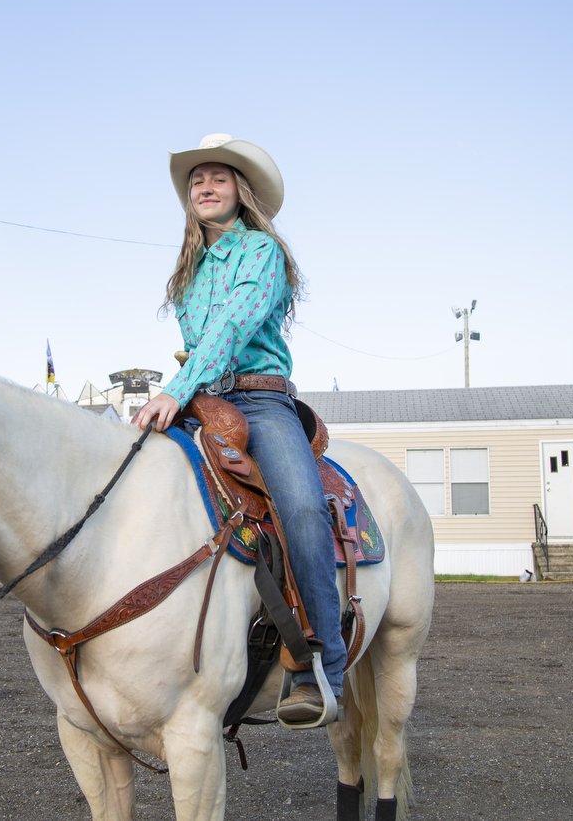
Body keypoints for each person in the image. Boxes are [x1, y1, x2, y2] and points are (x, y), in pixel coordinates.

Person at [133, 134, 344, 727]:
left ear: (240, 192)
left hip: (257, 401)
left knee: (301, 507)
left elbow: (232, 324)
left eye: (217, 179)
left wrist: (175, 391)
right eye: (196, 181)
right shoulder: (188, 272)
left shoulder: (261, 251)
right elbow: (197, 346)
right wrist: (183, 393)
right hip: (203, 399)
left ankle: (321, 666)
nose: (204, 187)